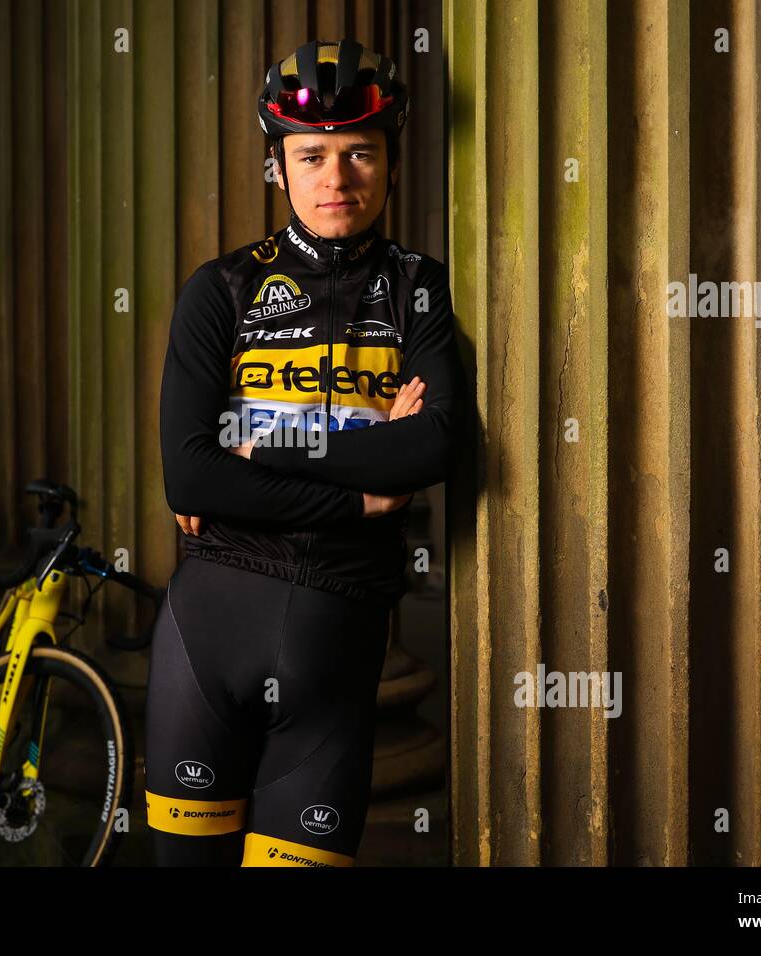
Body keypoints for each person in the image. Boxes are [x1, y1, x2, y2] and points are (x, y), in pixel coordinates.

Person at [145, 38, 464, 867]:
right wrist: (362, 486)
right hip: (204, 636)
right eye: (312, 155)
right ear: (280, 168)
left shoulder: (419, 287)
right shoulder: (219, 289)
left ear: (390, 161)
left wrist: (257, 453)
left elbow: (431, 443)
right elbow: (188, 471)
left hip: (339, 631)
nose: (337, 177)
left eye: (360, 153)